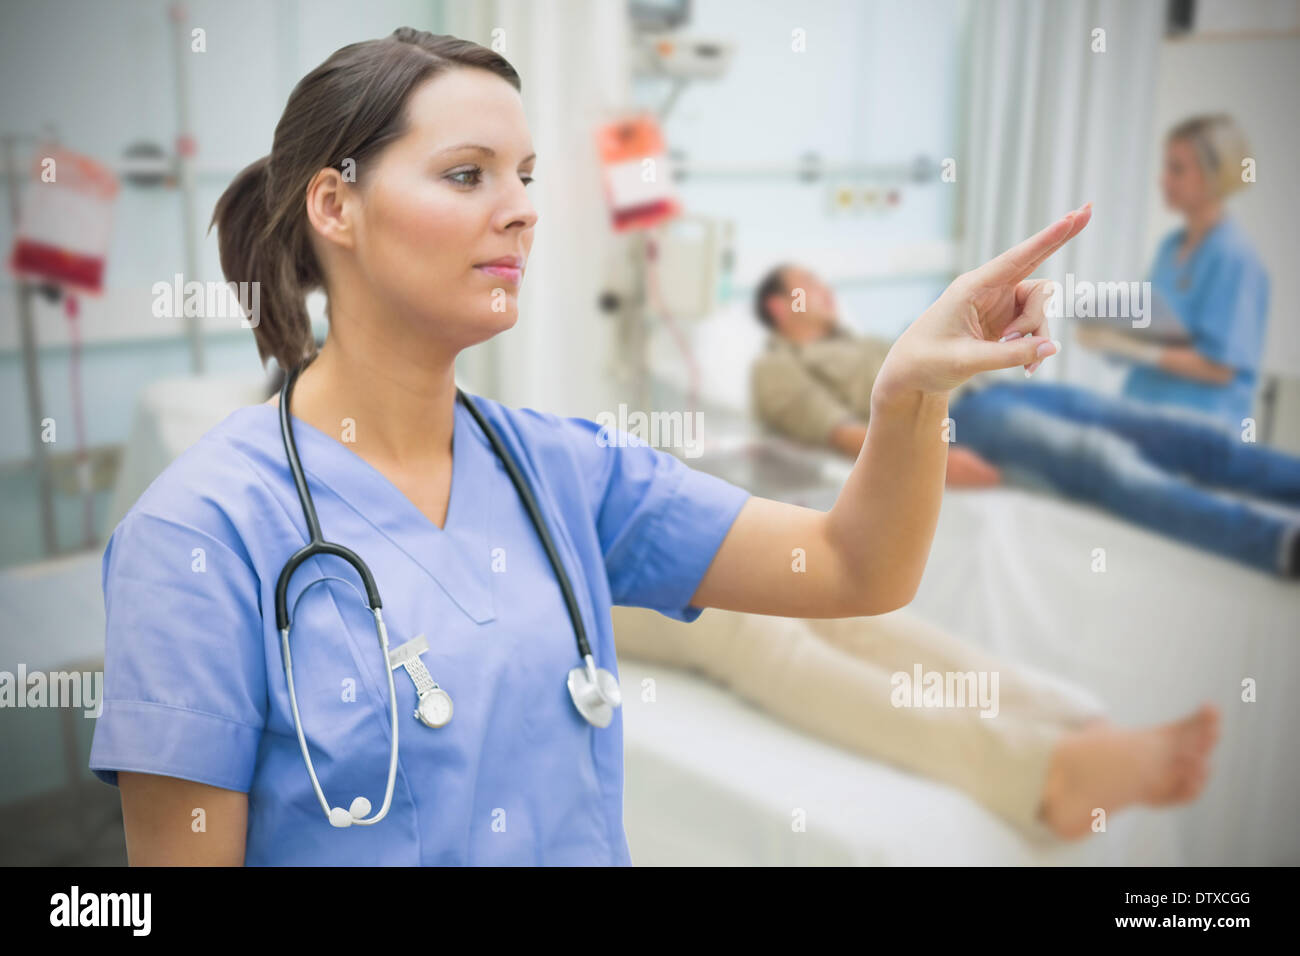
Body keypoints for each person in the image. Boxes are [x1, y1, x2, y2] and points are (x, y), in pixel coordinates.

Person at [89, 28, 1094, 866]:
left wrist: (908, 392)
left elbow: (854, 565)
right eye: (467, 173)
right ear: (334, 204)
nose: (523, 207)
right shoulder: (197, 537)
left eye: (524, 175)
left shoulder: (564, 468)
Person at [751, 264, 1300, 577]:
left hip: (995, 390)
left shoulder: (859, 340)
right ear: (779, 306)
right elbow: (841, 431)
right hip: (958, 421)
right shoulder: (777, 368)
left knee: (1182, 435)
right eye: (808, 287)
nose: (825, 291)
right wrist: (931, 460)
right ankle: (1276, 544)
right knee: (1101, 459)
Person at [610, 603, 1218, 842]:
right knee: (731, 618)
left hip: (587, 532)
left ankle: (1061, 721)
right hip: (548, 582)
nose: (821, 311)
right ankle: (1043, 773)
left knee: (821, 595)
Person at [1079, 114, 1270, 431]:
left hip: (1198, 432)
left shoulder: (1235, 259)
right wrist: (1110, 336)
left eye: (1176, 169)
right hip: (1142, 417)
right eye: (1165, 166)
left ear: (1214, 175)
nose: (1163, 180)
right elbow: (1150, 327)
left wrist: (1142, 351)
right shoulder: (1171, 247)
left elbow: (1222, 368)